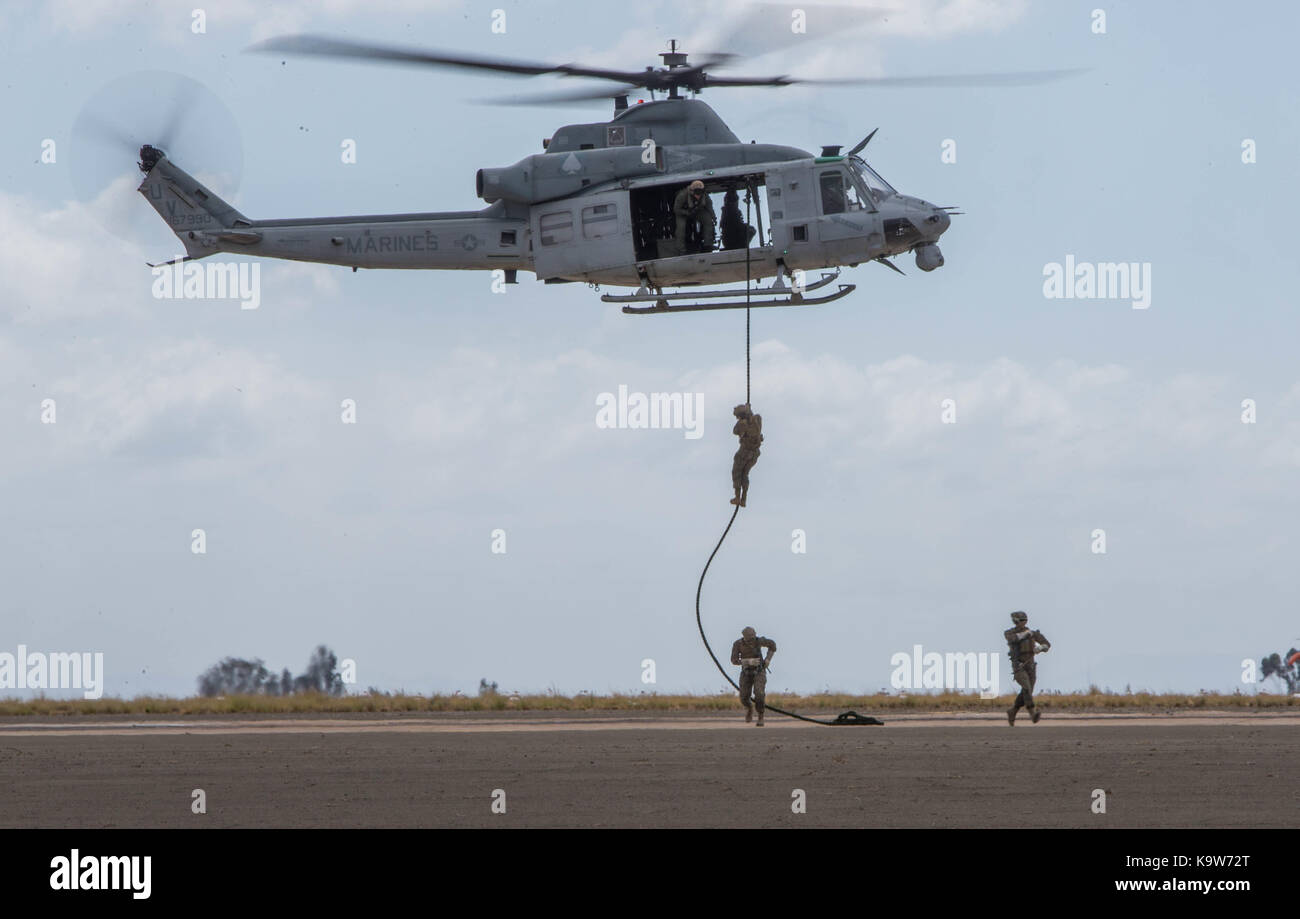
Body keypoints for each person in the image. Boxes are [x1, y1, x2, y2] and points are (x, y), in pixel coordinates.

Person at [1004, 611, 1050, 725]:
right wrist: (1025, 634)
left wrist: (1041, 648)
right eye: (1021, 621)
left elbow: (1047, 644)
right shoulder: (1010, 633)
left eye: (1025, 620)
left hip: (1031, 666)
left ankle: (1013, 711)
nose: (1023, 623)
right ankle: (1032, 713)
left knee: (1027, 691)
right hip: (1019, 666)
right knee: (1026, 688)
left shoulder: (1033, 633)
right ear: (1015, 621)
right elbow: (1012, 639)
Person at [730, 626, 777, 725]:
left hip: (759, 671)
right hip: (746, 672)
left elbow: (772, 645)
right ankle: (749, 708)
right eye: (749, 637)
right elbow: (734, 660)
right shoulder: (738, 644)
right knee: (744, 697)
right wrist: (747, 662)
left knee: (759, 694)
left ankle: (760, 716)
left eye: (753, 636)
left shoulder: (759, 641)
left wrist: (768, 659)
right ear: (744, 637)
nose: (752, 638)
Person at [730, 403, 762, 507]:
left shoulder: (744, 423)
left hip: (745, 452)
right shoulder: (755, 419)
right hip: (754, 454)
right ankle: (742, 499)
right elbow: (737, 431)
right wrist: (748, 412)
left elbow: (736, 431)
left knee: (737, 472)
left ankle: (738, 497)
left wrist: (746, 417)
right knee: (744, 474)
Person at [672, 180, 716, 254]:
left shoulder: (704, 195)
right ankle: (681, 250)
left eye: (700, 192)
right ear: (692, 191)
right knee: (681, 229)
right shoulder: (682, 195)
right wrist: (686, 213)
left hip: (697, 211)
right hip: (683, 213)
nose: (698, 195)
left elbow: (709, 206)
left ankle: (708, 245)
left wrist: (713, 217)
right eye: (697, 192)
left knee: (708, 220)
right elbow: (676, 209)